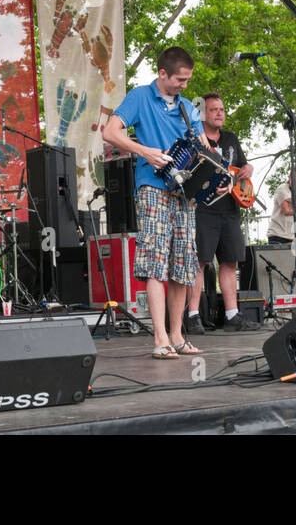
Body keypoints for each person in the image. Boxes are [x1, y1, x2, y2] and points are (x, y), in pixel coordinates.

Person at [102, 46, 207, 360]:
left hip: (185, 192)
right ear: (163, 73)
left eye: (187, 80)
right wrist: (144, 151)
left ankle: (176, 335)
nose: (184, 85)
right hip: (153, 187)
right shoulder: (140, 96)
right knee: (156, 264)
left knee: (181, 267)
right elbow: (110, 131)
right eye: (180, 79)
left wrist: (218, 173)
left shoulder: (189, 107)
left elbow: (203, 147)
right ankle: (159, 338)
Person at [187, 93, 257, 333]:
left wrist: (248, 168)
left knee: (230, 261)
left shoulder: (231, 138)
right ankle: (193, 315)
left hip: (230, 208)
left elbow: (242, 165)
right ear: (203, 114)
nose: (220, 113)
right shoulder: (197, 139)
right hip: (204, 209)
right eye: (214, 109)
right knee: (200, 261)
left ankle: (232, 315)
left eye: (222, 109)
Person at [267, 167, 296, 247]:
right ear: (289, 176)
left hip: (293, 236)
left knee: (292, 259)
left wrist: (291, 200)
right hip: (277, 234)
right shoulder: (282, 188)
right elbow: (286, 211)